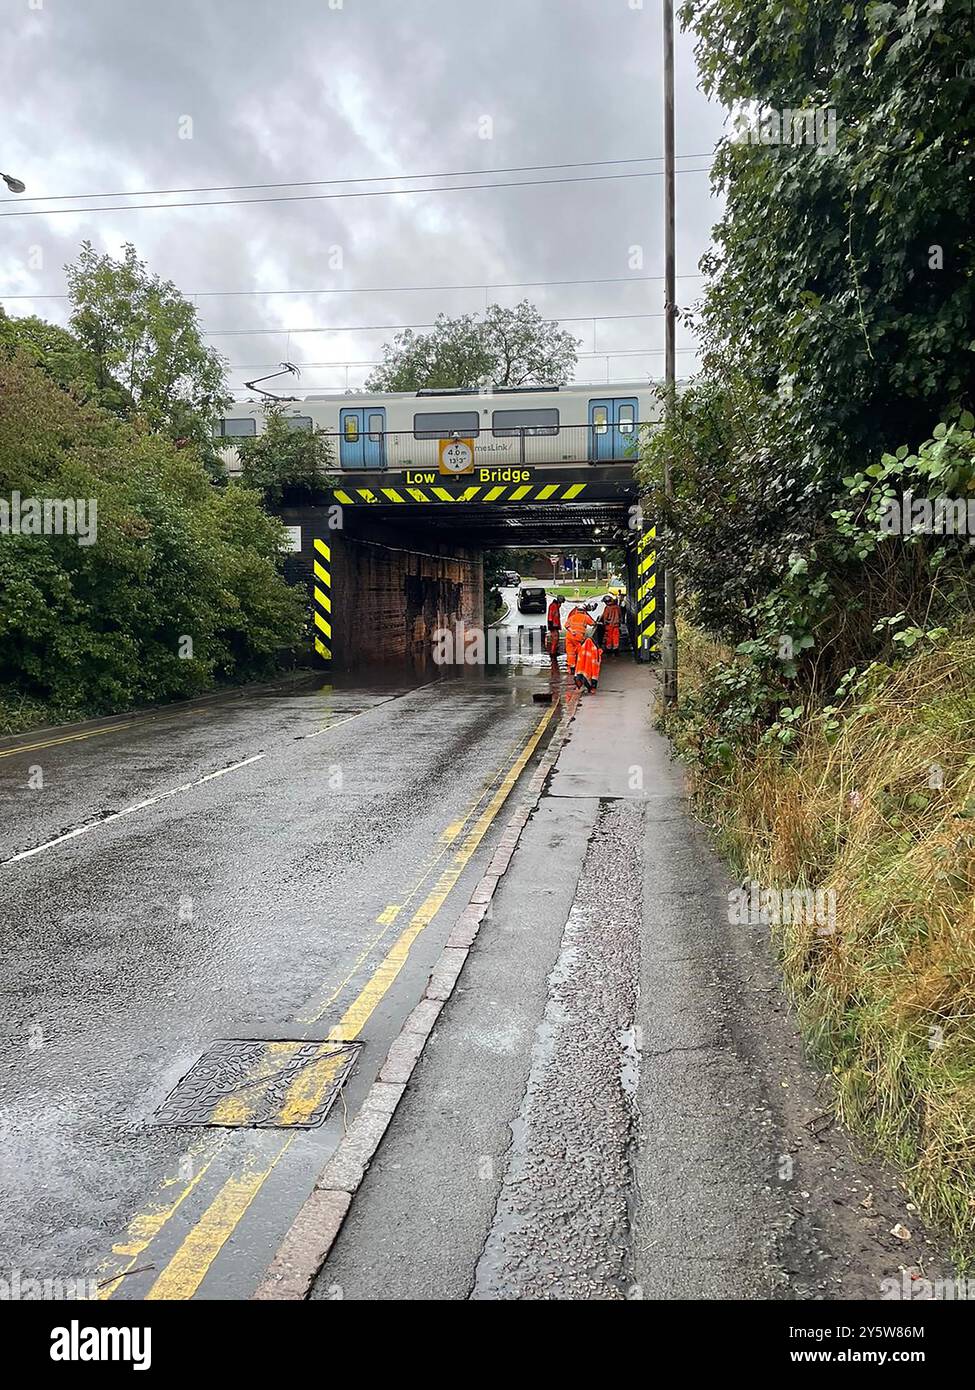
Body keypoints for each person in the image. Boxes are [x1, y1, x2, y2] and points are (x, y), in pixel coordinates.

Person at [563, 603, 594, 675]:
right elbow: (592, 623)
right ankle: (579, 668)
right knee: (580, 652)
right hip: (578, 637)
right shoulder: (585, 617)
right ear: (584, 610)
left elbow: (566, 625)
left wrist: (572, 631)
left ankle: (571, 667)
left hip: (569, 637)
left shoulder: (572, 617)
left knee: (570, 653)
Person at [546, 593, 564, 659]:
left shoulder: (556, 606)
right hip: (553, 626)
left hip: (555, 625)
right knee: (555, 639)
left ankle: (554, 651)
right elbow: (550, 616)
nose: (561, 605)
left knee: (556, 639)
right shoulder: (553, 606)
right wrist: (551, 625)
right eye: (561, 603)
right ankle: (553, 653)